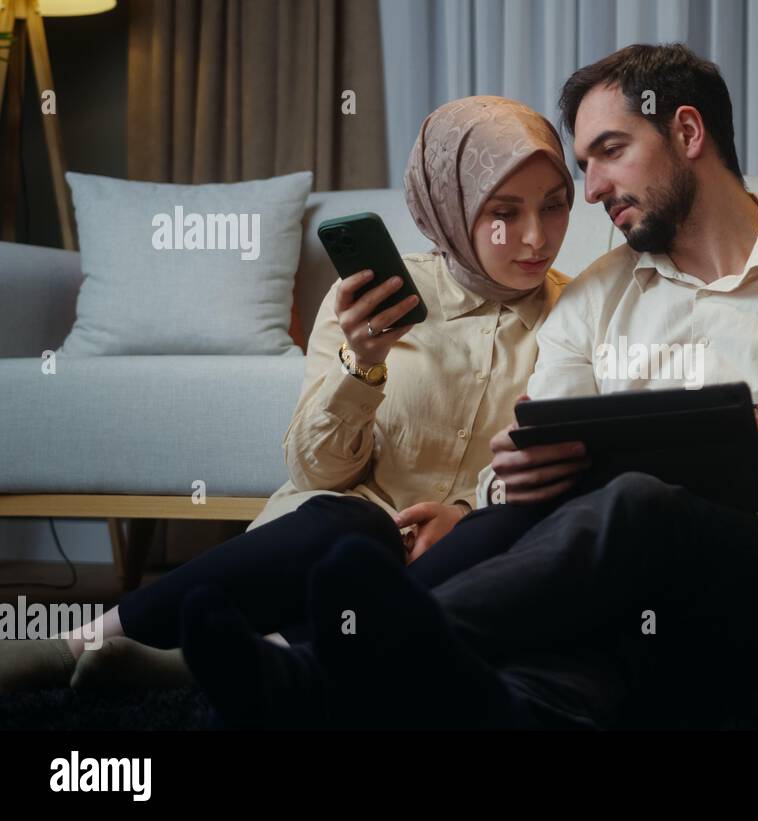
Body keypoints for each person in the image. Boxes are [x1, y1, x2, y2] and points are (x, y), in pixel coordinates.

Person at [181, 42, 758, 731]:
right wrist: (499, 487)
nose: (589, 190)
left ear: (687, 132)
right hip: (635, 585)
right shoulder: (591, 299)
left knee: (639, 502)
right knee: (565, 649)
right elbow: (522, 460)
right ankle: (458, 699)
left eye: (609, 152)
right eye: (583, 164)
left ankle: (322, 663)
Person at [0, 96, 578, 694]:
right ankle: (77, 644)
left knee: (474, 562)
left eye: (555, 207)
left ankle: (223, 662)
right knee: (351, 527)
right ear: (449, 206)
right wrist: (365, 363)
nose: (536, 237)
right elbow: (314, 470)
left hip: (464, 556)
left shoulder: (579, 315)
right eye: (504, 212)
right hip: (331, 536)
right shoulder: (367, 299)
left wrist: (464, 515)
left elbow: (562, 470)